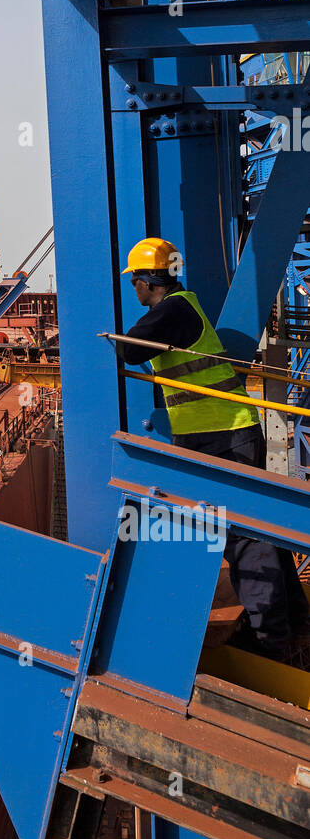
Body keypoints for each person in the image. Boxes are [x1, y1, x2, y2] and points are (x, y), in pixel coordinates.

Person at [116, 236, 310, 662]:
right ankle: (294, 625)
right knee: (260, 531)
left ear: (150, 280)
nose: (134, 289)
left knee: (241, 537)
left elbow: (129, 350)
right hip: (224, 433)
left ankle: (269, 644)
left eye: (136, 282)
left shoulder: (173, 309)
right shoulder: (183, 306)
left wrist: (111, 340)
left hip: (223, 437)